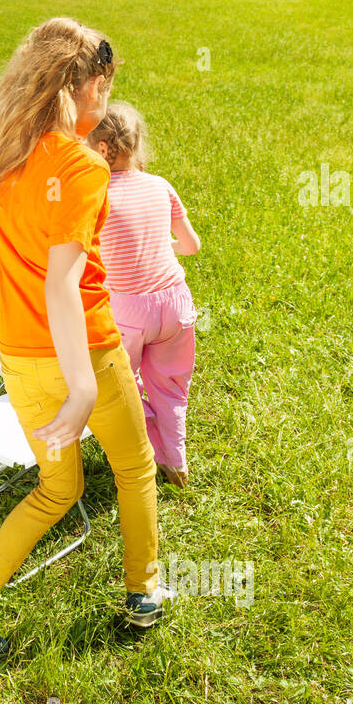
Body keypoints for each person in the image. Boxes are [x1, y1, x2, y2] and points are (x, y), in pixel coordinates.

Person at [0, 18, 173, 658]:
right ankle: (144, 591)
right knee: (135, 467)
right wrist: (83, 387)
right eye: (106, 82)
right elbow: (63, 286)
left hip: (17, 353)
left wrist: (17, 233)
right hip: (84, 351)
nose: (107, 96)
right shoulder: (83, 166)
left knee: (56, 488)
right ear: (87, 84)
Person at [87, 102, 202, 487]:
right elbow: (191, 245)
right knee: (170, 386)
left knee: (121, 385)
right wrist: (162, 245)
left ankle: (142, 451)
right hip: (175, 301)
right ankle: (176, 460)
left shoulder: (97, 193)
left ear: (101, 147)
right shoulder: (160, 186)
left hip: (128, 311)